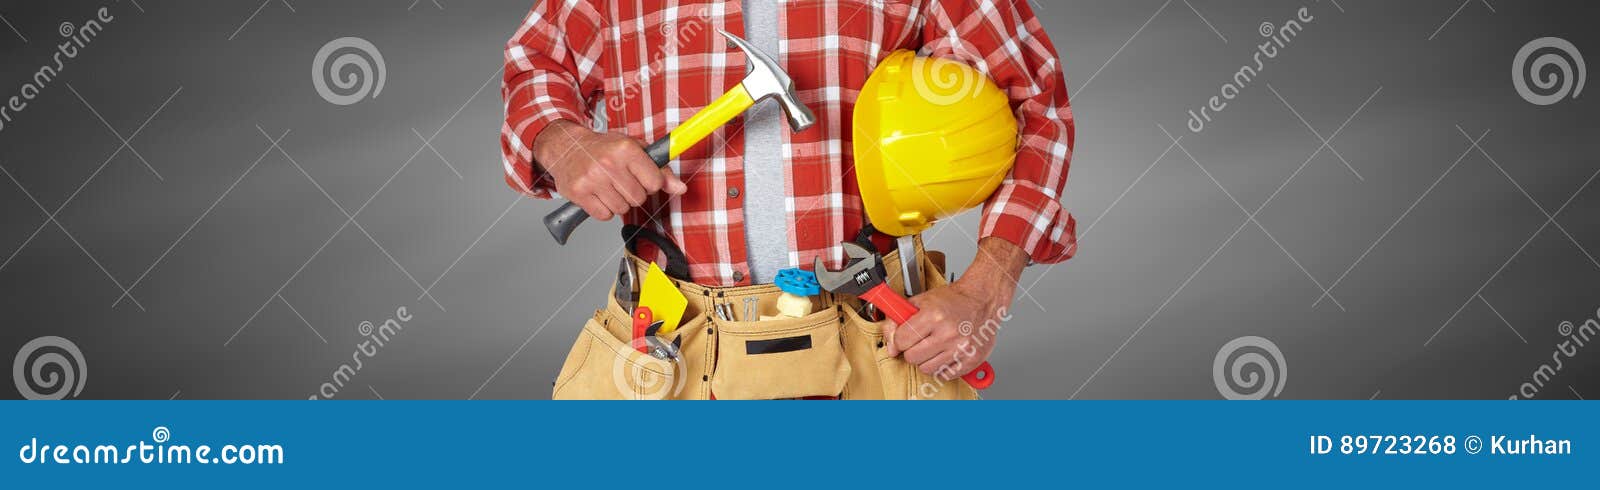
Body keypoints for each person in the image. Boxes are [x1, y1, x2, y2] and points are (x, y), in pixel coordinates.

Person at [502, 0, 1075, 392]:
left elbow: (1036, 105)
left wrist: (985, 292)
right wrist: (562, 139)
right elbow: (536, 62)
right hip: (664, 344)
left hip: (875, 338)